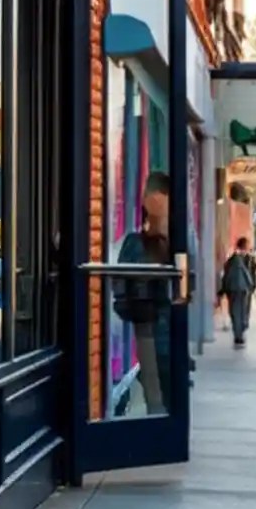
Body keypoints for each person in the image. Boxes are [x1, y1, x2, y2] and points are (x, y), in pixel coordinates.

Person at [114, 171, 175, 415]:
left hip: (164, 324)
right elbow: (122, 285)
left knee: (163, 386)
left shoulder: (175, 241)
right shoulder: (137, 242)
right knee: (156, 392)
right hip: (149, 324)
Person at [220, 236, 256, 348]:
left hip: (238, 288)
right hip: (240, 287)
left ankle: (239, 332)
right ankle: (239, 333)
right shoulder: (239, 259)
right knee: (239, 310)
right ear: (244, 246)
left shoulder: (236, 259)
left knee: (238, 311)